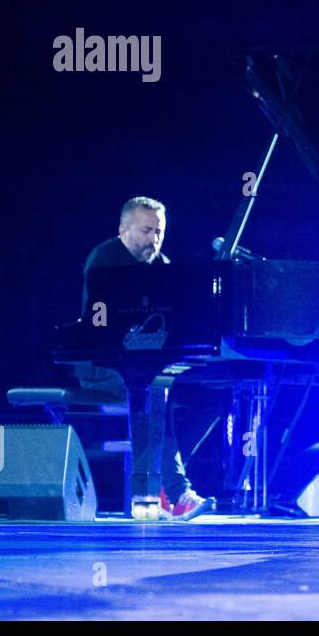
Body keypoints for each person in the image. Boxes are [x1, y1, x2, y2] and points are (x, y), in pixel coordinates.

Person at [81, 196, 218, 521]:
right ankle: (176, 493)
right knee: (156, 392)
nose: (153, 240)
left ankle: (157, 475)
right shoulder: (104, 260)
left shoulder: (163, 267)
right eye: (146, 231)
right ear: (123, 230)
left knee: (210, 397)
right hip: (102, 363)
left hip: (150, 362)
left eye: (159, 232)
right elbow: (99, 326)